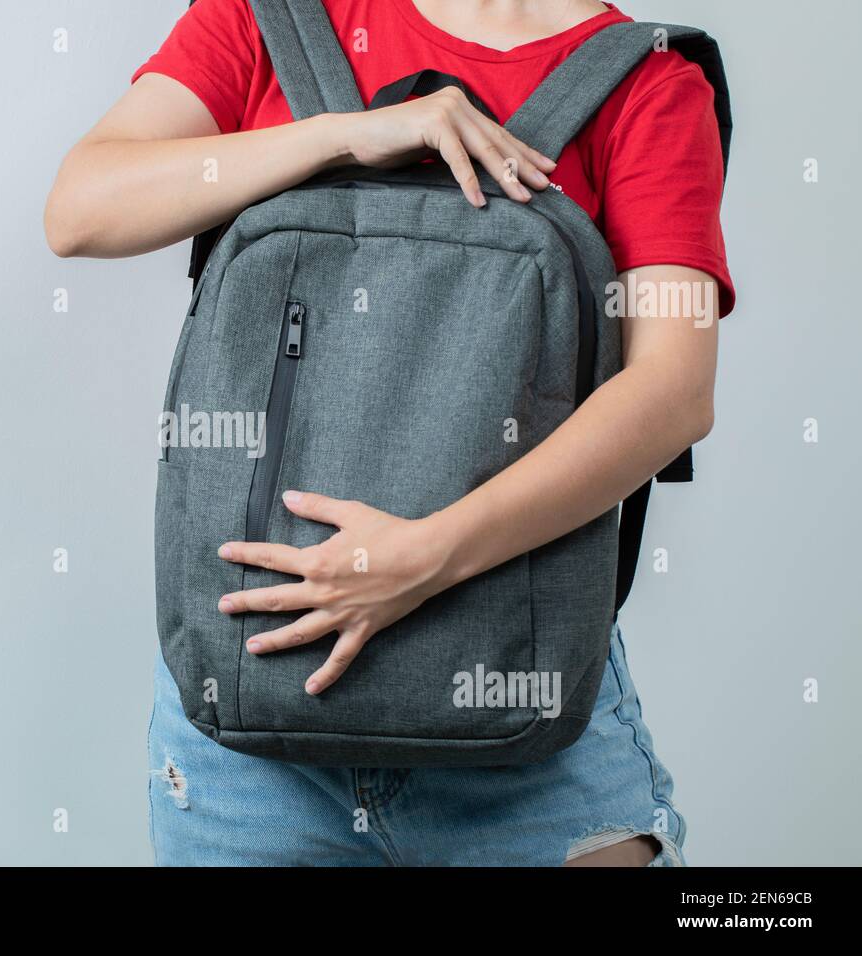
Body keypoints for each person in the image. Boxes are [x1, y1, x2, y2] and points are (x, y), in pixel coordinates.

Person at [44, 0, 733, 866]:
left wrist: (417, 559)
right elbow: (80, 208)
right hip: (251, 734)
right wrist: (342, 137)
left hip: (526, 734)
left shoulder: (644, 81)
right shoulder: (271, 19)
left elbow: (673, 392)